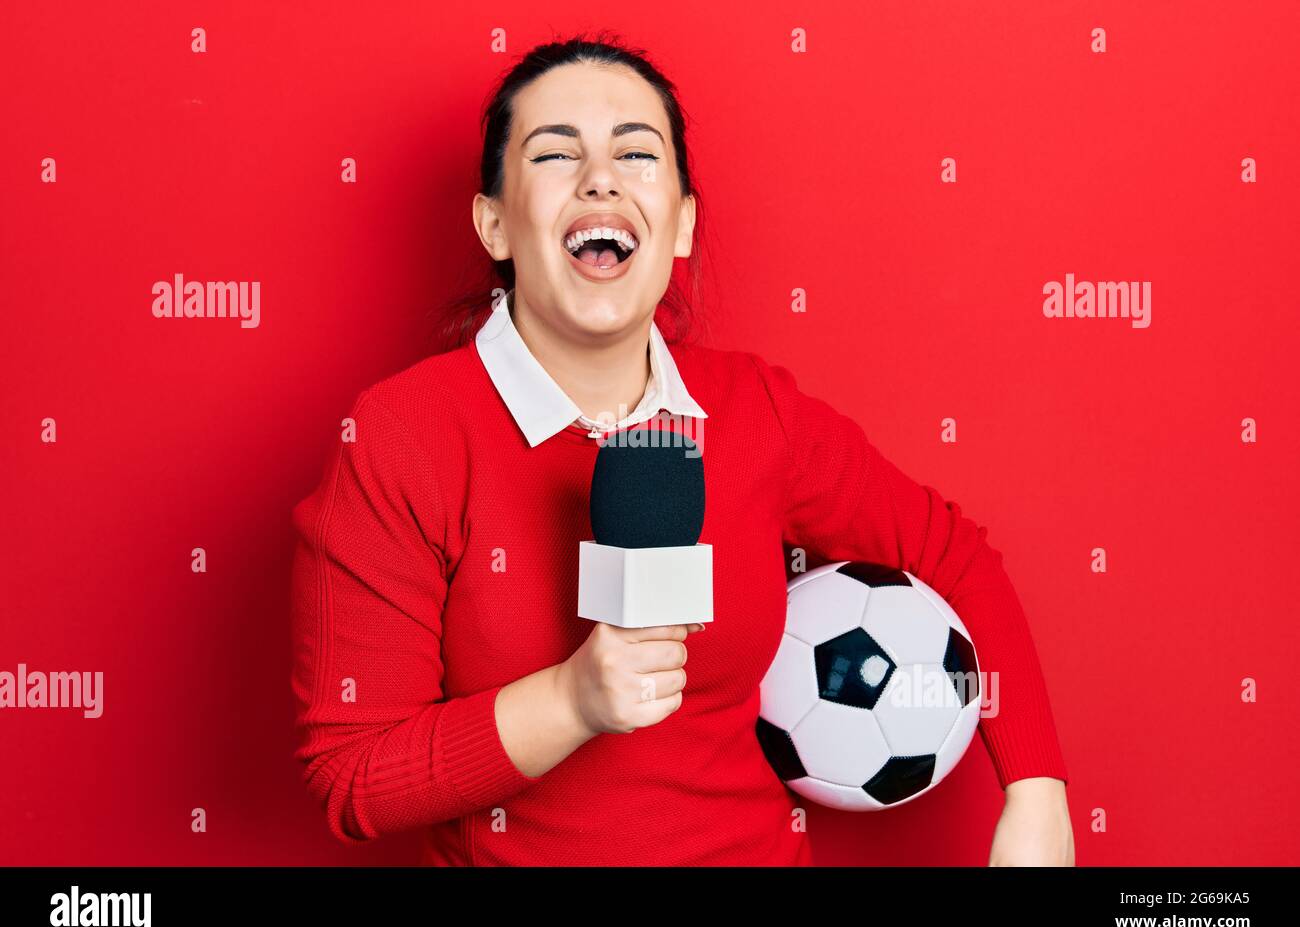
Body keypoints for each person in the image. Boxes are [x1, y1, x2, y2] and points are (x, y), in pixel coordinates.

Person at [289, 33, 1074, 866]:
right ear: (495, 224)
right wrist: (573, 700)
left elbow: (956, 557)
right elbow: (353, 775)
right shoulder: (403, 434)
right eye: (557, 154)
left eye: (637, 152)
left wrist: (1038, 799)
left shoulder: (756, 412)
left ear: (682, 225)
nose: (601, 177)